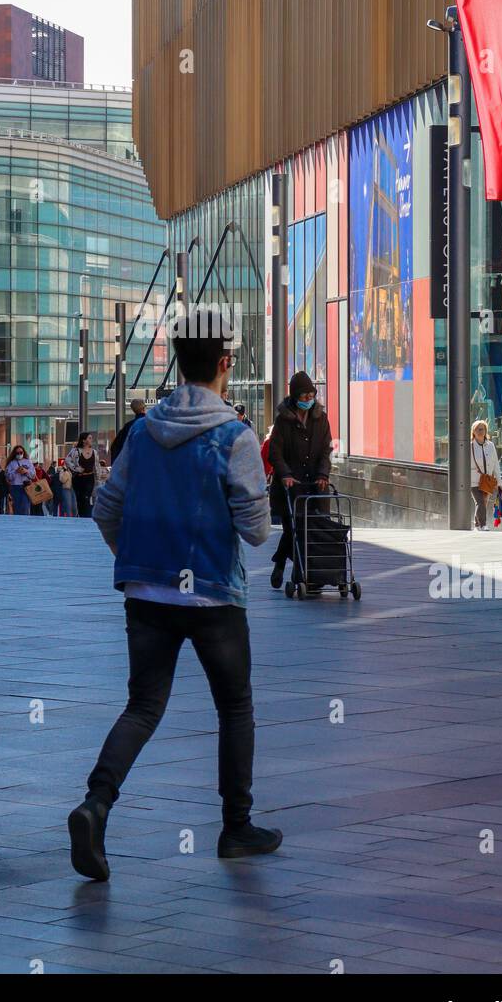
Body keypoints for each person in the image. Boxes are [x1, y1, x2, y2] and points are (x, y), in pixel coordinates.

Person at [67, 307, 281, 883]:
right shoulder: (234, 436)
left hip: (146, 595)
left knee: (143, 706)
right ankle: (236, 827)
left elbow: (105, 507)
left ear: (177, 363)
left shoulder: (141, 431)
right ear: (224, 364)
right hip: (213, 597)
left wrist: (137, 562)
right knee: (234, 707)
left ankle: (96, 804)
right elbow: (257, 530)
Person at [268, 372, 332, 590]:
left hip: (314, 485)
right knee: (292, 529)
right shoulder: (283, 420)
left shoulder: (321, 418)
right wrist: (285, 473)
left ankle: (299, 569)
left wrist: (323, 474)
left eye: (311, 395)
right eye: (304, 396)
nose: (308, 399)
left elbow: (325, 450)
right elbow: (275, 452)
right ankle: (296, 571)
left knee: (309, 528)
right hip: (290, 486)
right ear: (295, 396)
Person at [471, 420, 502, 531]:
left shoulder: (490, 445)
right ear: (473, 432)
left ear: (485, 431)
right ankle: (483, 525)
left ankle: (476, 524)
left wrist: (499, 482)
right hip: (474, 480)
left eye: (482, 429)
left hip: (488, 480)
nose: (480, 431)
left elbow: (495, 464)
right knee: (479, 502)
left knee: (483, 503)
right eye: (477, 429)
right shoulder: (470, 446)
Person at [66, 433, 97, 518]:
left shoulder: (94, 452)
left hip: (89, 478)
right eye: (89, 438)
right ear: (84, 440)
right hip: (78, 478)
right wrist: (76, 468)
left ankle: (86, 517)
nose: (91, 440)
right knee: (79, 499)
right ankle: (81, 516)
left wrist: (98, 480)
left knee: (86, 498)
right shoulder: (75, 451)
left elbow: (97, 467)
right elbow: (67, 460)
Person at [110, 399, 146, 465]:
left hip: (133, 463)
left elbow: (115, 447)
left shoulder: (128, 426)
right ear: (144, 408)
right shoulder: (152, 424)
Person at [6, 444, 36, 517]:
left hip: (26, 486)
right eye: (17, 453)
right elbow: (8, 477)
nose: (19, 454)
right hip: (15, 487)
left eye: (21, 452)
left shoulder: (28, 462)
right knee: (17, 508)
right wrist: (16, 471)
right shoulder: (11, 463)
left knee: (25, 507)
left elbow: (33, 475)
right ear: (14, 453)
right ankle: (17, 525)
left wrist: (26, 471)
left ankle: (25, 524)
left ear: (23, 452)